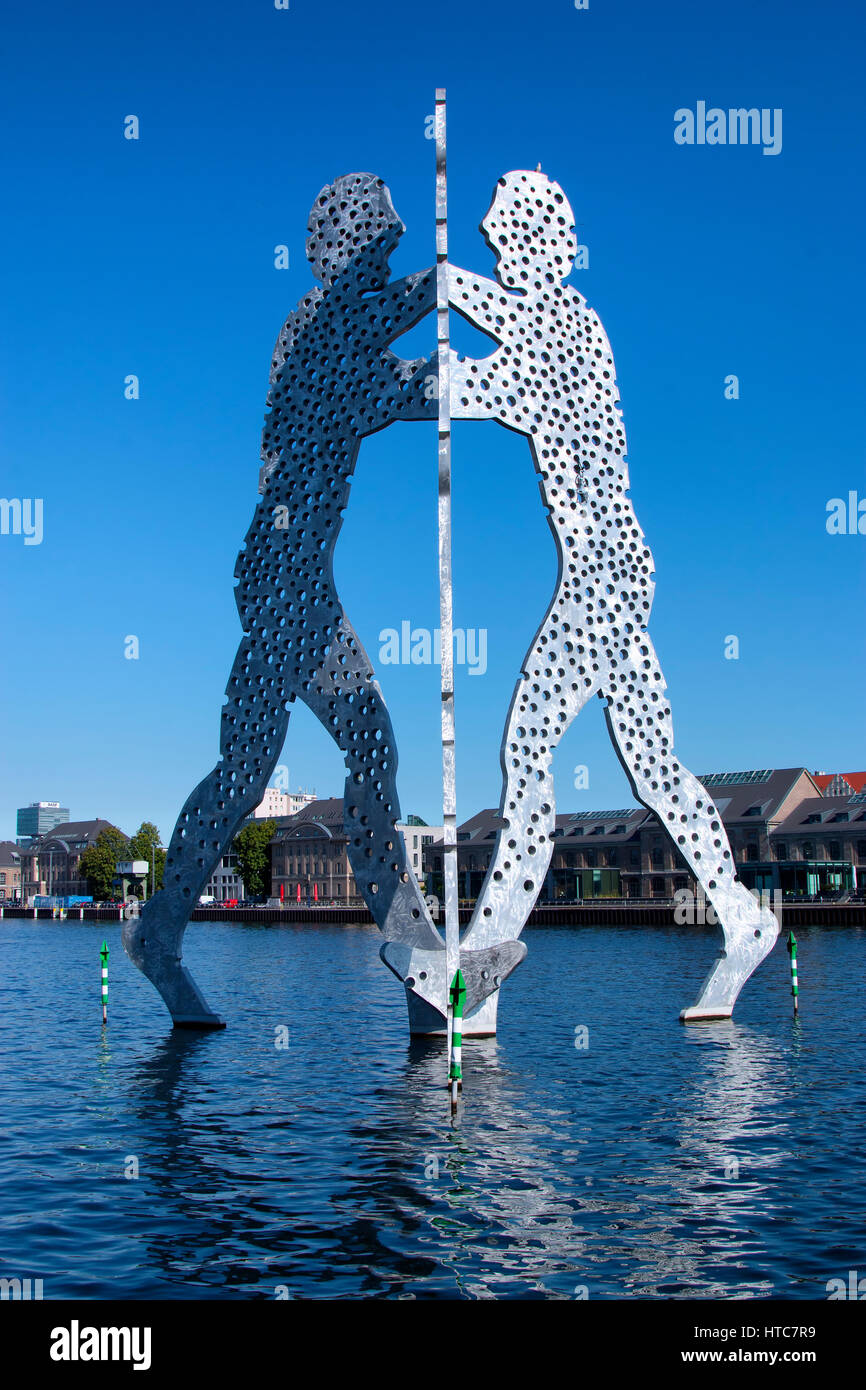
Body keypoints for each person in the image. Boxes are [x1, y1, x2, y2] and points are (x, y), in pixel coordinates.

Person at [446, 170, 777, 1018]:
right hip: (617, 570)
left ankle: (475, 978)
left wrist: (439, 309)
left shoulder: (569, 321)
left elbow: (501, 384)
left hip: (604, 574)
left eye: (502, 237)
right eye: (486, 241)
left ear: (541, 241)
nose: (494, 250)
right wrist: (445, 324)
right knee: (658, 768)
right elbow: (498, 363)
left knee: (527, 751)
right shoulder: (551, 320)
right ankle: (742, 917)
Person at [124, 173, 443, 1025]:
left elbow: (399, 359)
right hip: (283, 578)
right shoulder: (313, 338)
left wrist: (457, 339)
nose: (385, 273)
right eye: (377, 254)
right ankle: (420, 965)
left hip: (288, 576)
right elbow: (393, 372)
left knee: (243, 771)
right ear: (342, 255)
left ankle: (156, 932)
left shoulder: (335, 332)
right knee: (369, 740)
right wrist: (458, 292)